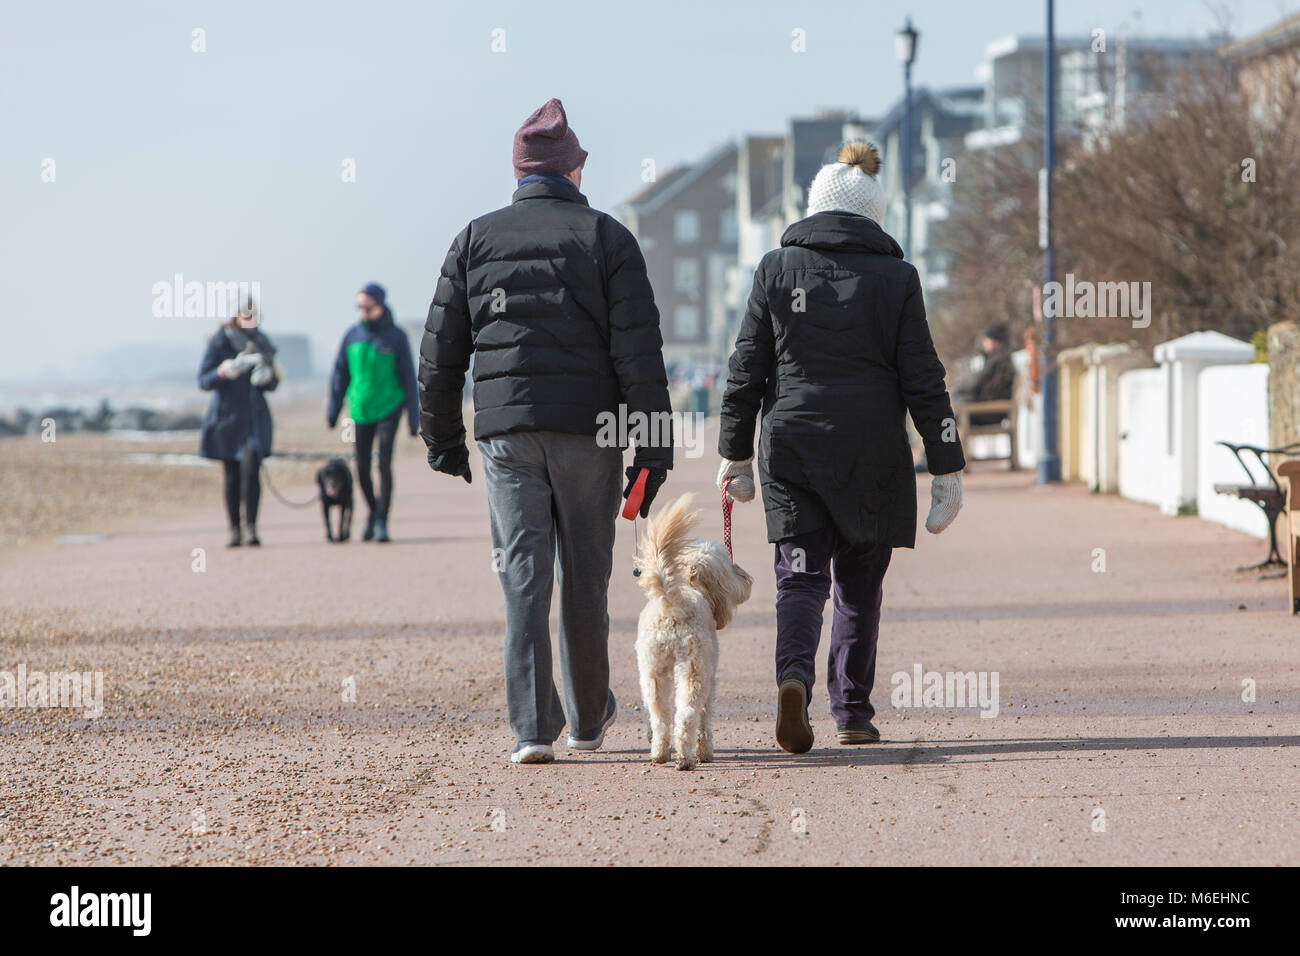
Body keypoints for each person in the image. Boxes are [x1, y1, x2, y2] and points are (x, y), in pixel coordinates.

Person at [420, 98, 672, 764]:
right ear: (572, 170)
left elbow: (442, 350)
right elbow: (639, 356)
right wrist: (653, 450)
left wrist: (443, 438)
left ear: (519, 171)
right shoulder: (607, 237)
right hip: (591, 432)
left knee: (524, 580)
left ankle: (533, 730)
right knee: (586, 578)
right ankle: (589, 721)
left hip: (506, 434)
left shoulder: (476, 238)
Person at [716, 142, 966, 755]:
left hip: (792, 446)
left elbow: (745, 367)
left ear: (815, 208)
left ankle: (793, 680)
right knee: (859, 586)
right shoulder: (898, 278)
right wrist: (946, 468)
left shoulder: (775, 269)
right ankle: (852, 711)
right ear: (872, 216)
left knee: (799, 580)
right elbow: (923, 379)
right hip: (872, 451)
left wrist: (735, 453)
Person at [326, 282, 420, 543]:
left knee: (384, 464)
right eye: (360, 307)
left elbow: (408, 379)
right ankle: (374, 511)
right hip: (360, 409)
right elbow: (339, 374)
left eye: (368, 307)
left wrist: (414, 418)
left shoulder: (396, 336)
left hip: (389, 408)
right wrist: (333, 410)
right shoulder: (352, 335)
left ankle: (381, 522)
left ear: (380, 305)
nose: (363, 312)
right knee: (362, 468)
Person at [198, 296, 282, 547]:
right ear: (235, 315)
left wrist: (267, 378)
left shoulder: (262, 342)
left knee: (252, 469)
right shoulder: (219, 341)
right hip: (226, 417)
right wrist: (225, 371)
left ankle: (251, 528)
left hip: (255, 418)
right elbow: (203, 380)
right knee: (232, 474)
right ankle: (234, 528)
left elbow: (275, 383)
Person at [954, 321, 1017, 425]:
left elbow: (977, 383)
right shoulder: (1001, 358)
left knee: (954, 415)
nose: (984, 342)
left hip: (992, 412)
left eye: (986, 339)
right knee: (955, 415)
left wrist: (958, 391)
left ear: (995, 341)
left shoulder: (997, 360)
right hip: (995, 411)